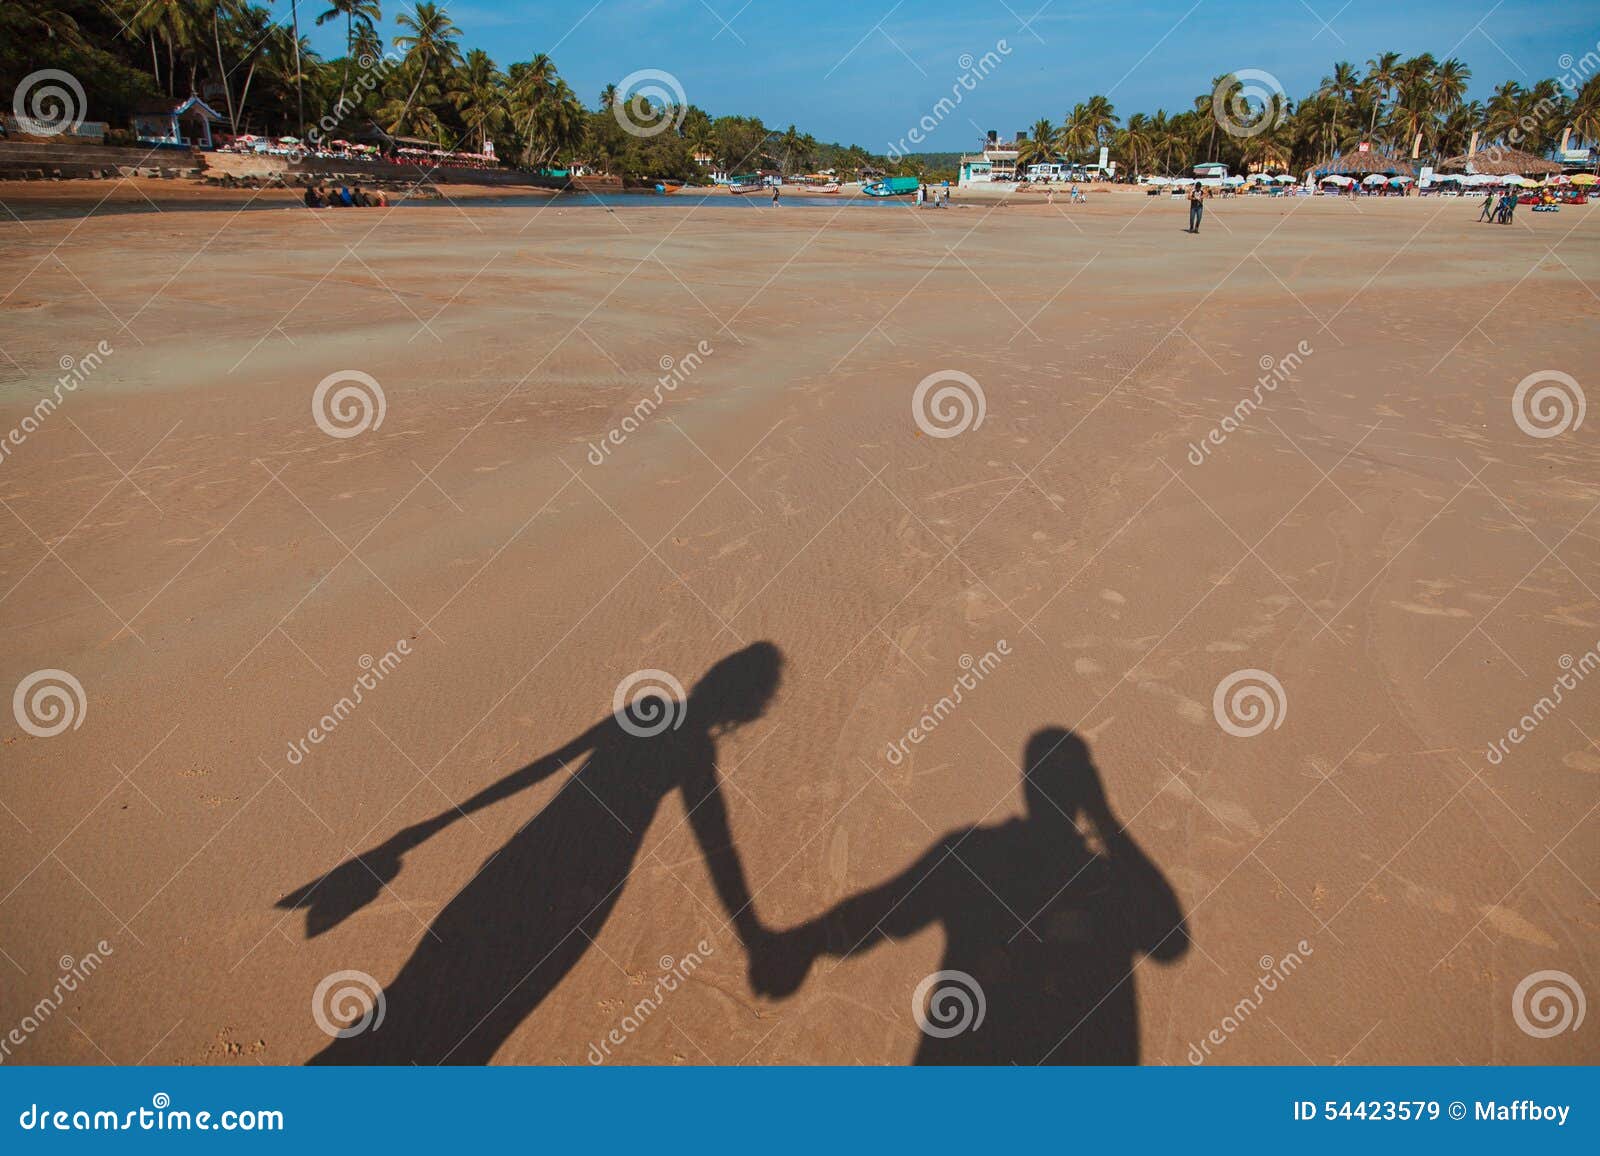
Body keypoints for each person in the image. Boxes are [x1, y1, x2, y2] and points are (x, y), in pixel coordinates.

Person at [285, 643, 784, 1064]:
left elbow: (539, 769)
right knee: (477, 1025)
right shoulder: (693, 750)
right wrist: (753, 935)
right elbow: (716, 846)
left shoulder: (638, 713)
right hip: (579, 893)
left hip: (518, 863)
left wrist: (425, 828)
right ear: (752, 703)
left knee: (411, 994)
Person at [750, 729, 1189, 1064]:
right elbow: (1171, 940)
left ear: (1025, 785)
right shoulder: (1110, 880)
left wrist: (806, 943)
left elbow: (887, 910)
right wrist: (1105, 816)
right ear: (1087, 791)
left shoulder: (975, 854)